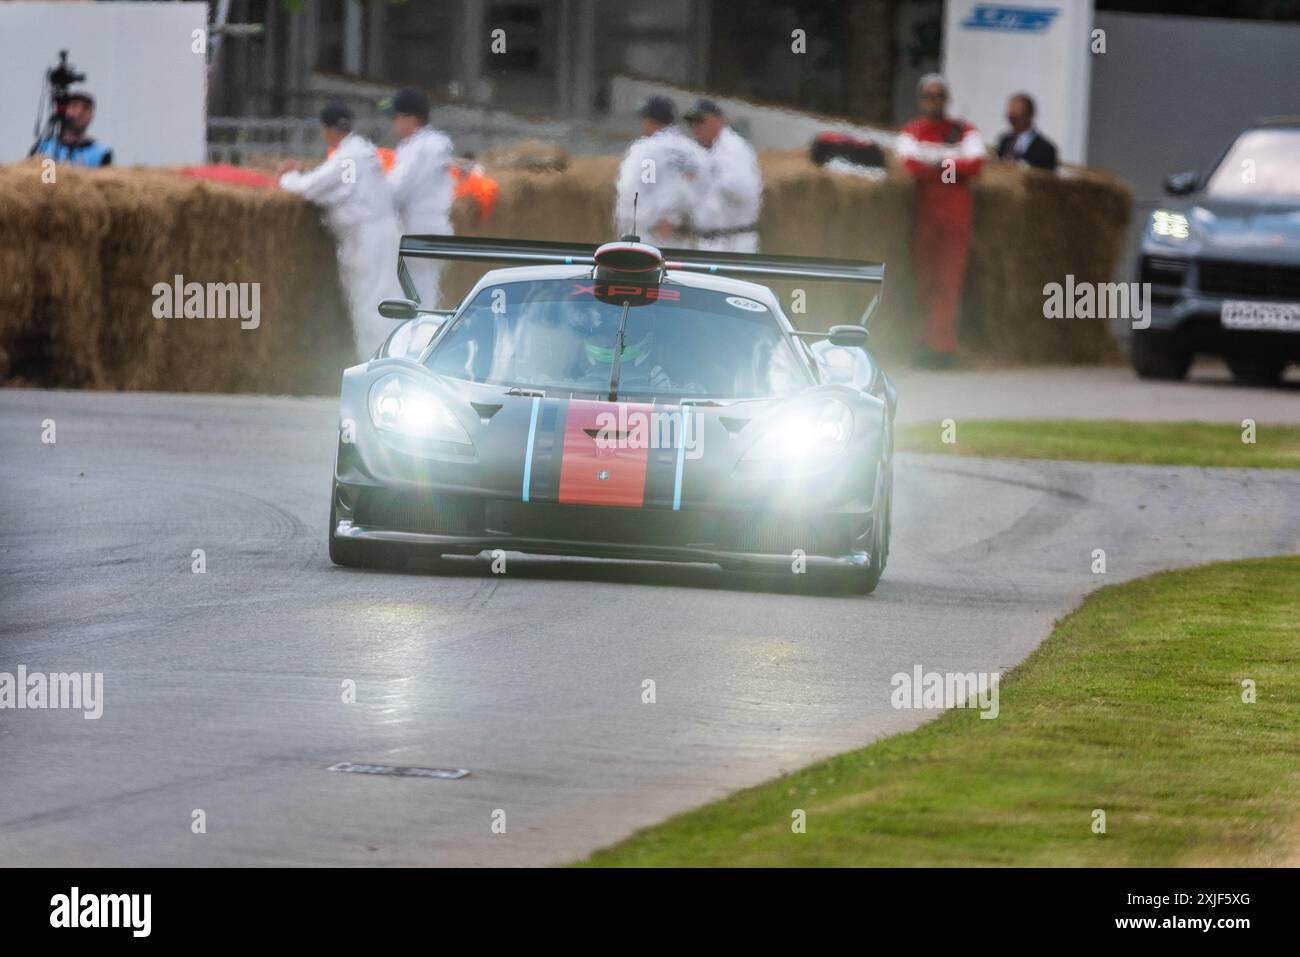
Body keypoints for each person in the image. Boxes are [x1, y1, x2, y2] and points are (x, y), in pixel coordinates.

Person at [278, 102, 403, 361]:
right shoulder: (362, 151)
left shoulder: (348, 157)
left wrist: (287, 178)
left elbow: (310, 188)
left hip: (365, 238)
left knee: (368, 303)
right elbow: (337, 186)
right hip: (380, 233)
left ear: (328, 130)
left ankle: (374, 364)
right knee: (385, 298)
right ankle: (390, 358)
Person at [896, 74, 985, 365]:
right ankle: (925, 342)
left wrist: (935, 164)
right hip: (925, 214)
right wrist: (950, 167)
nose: (935, 101)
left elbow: (976, 165)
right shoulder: (912, 131)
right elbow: (909, 166)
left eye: (940, 96)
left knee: (949, 280)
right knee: (924, 278)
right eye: (929, 96)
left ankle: (942, 345)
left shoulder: (965, 131)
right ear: (921, 100)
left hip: (956, 215)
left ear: (947, 99)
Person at [384, 87, 455, 307]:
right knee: (428, 293)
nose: (393, 123)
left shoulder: (415, 149)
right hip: (437, 230)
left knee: (415, 300)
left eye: (396, 117)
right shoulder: (436, 144)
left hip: (417, 233)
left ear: (411, 118)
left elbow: (396, 191)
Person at [614, 96, 709, 247]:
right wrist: (676, 219)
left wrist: (656, 219)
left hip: (648, 236)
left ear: (650, 121)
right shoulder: (694, 151)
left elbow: (633, 189)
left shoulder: (648, 150)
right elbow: (705, 191)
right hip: (685, 238)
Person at [685, 98, 762, 253]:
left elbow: (745, 192)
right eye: (692, 123)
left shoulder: (734, 149)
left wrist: (705, 175)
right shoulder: (700, 152)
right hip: (709, 241)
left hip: (734, 242)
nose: (695, 127)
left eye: (701, 121)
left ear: (718, 121)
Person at [31, 91, 112, 167]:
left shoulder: (101, 153)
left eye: (86, 108)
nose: (79, 112)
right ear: (63, 111)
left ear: (91, 117)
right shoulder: (43, 147)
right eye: (74, 106)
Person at [996, 93, 1058, 172]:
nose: (1012, 122)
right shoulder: (1005, 140)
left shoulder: (1045, 149)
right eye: (1010, 118)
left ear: (1029, 116)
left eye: (1017, 118)